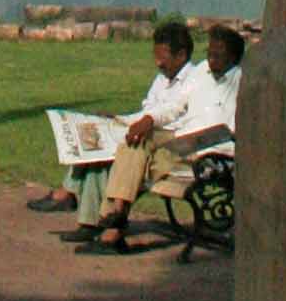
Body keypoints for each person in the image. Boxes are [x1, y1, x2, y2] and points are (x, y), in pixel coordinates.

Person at [47, 21, 238, 247]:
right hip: (181, 138)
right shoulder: (202, 72)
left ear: (233, 57)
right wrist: (148, 120)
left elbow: (233, 132)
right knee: (134, 141)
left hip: (210, 148)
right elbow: (174, 106)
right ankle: (116, 213)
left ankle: (110, 227)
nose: (211, 60)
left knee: (139, 160)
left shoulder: (243, 81)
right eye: (209, 53)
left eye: (218, 55)